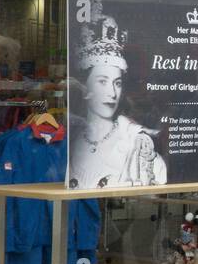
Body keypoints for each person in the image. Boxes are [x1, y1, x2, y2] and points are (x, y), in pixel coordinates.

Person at [69, 14, 167, 189]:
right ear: (85, 87)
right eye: (102, 81)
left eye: (117, 83)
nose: (112, 93)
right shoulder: (69, 135)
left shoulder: (136, 146)